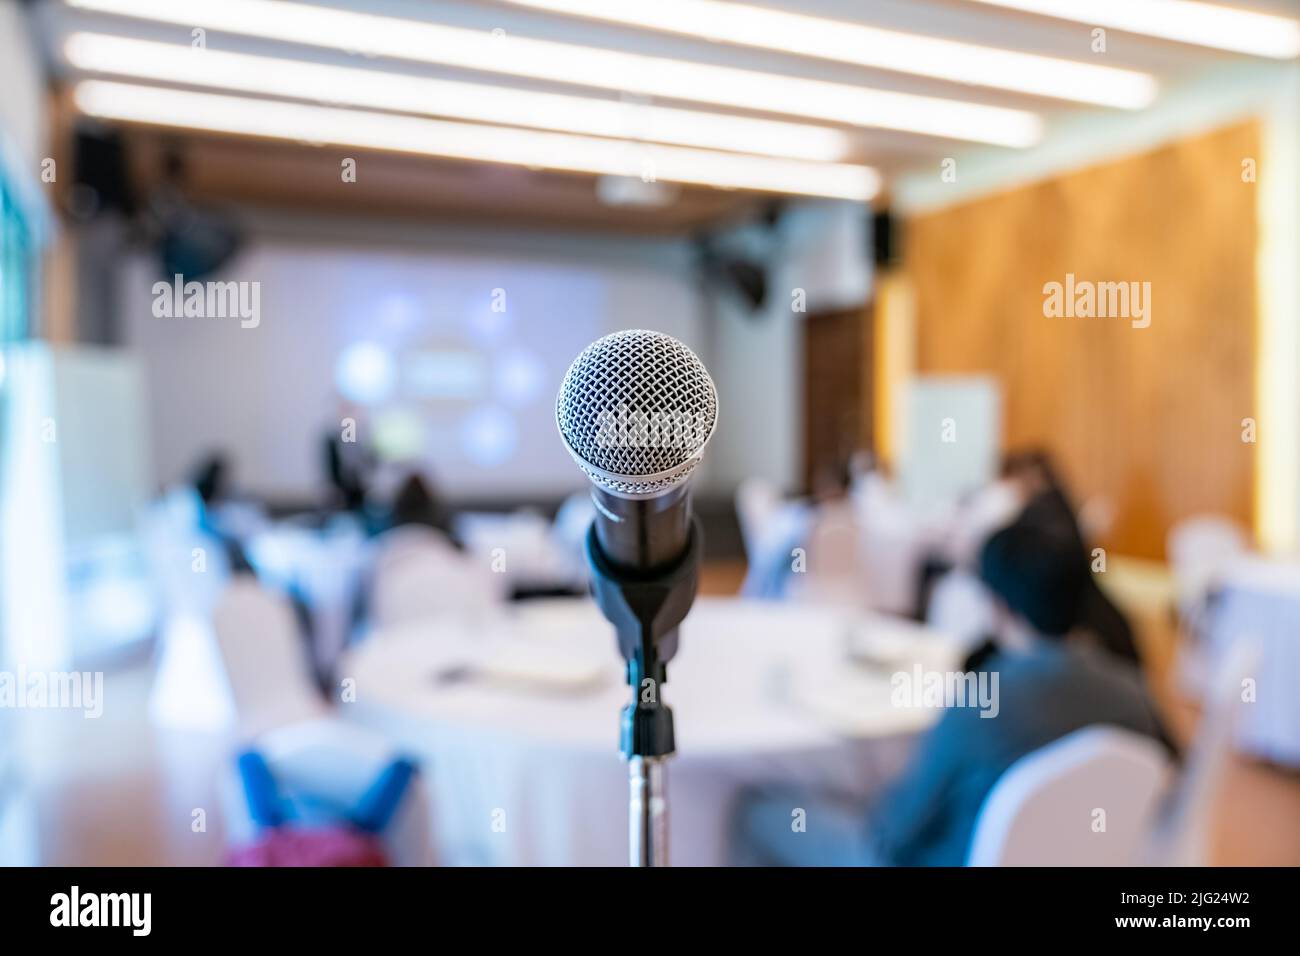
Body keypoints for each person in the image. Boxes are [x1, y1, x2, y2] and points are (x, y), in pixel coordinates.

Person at [731, 511, 1173, 866]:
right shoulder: (1133, 692)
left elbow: (892, 837)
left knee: (760, 812)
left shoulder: (983, 702)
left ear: (998, 604)